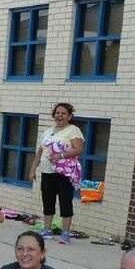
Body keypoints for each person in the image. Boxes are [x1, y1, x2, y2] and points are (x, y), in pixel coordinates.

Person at [28, 102, 84, 244]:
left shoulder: (73, 130)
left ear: (69, 116)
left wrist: (61, 156)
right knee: (48, 200)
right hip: (47, 171)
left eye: (63, 113)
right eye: (57, 113)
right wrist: (33, 169)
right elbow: (40, 151)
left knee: (65, 201)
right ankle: (47, 230)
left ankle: (65, 233)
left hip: (64, 173)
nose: (60, 115)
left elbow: (78, 149)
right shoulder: (47, 131)